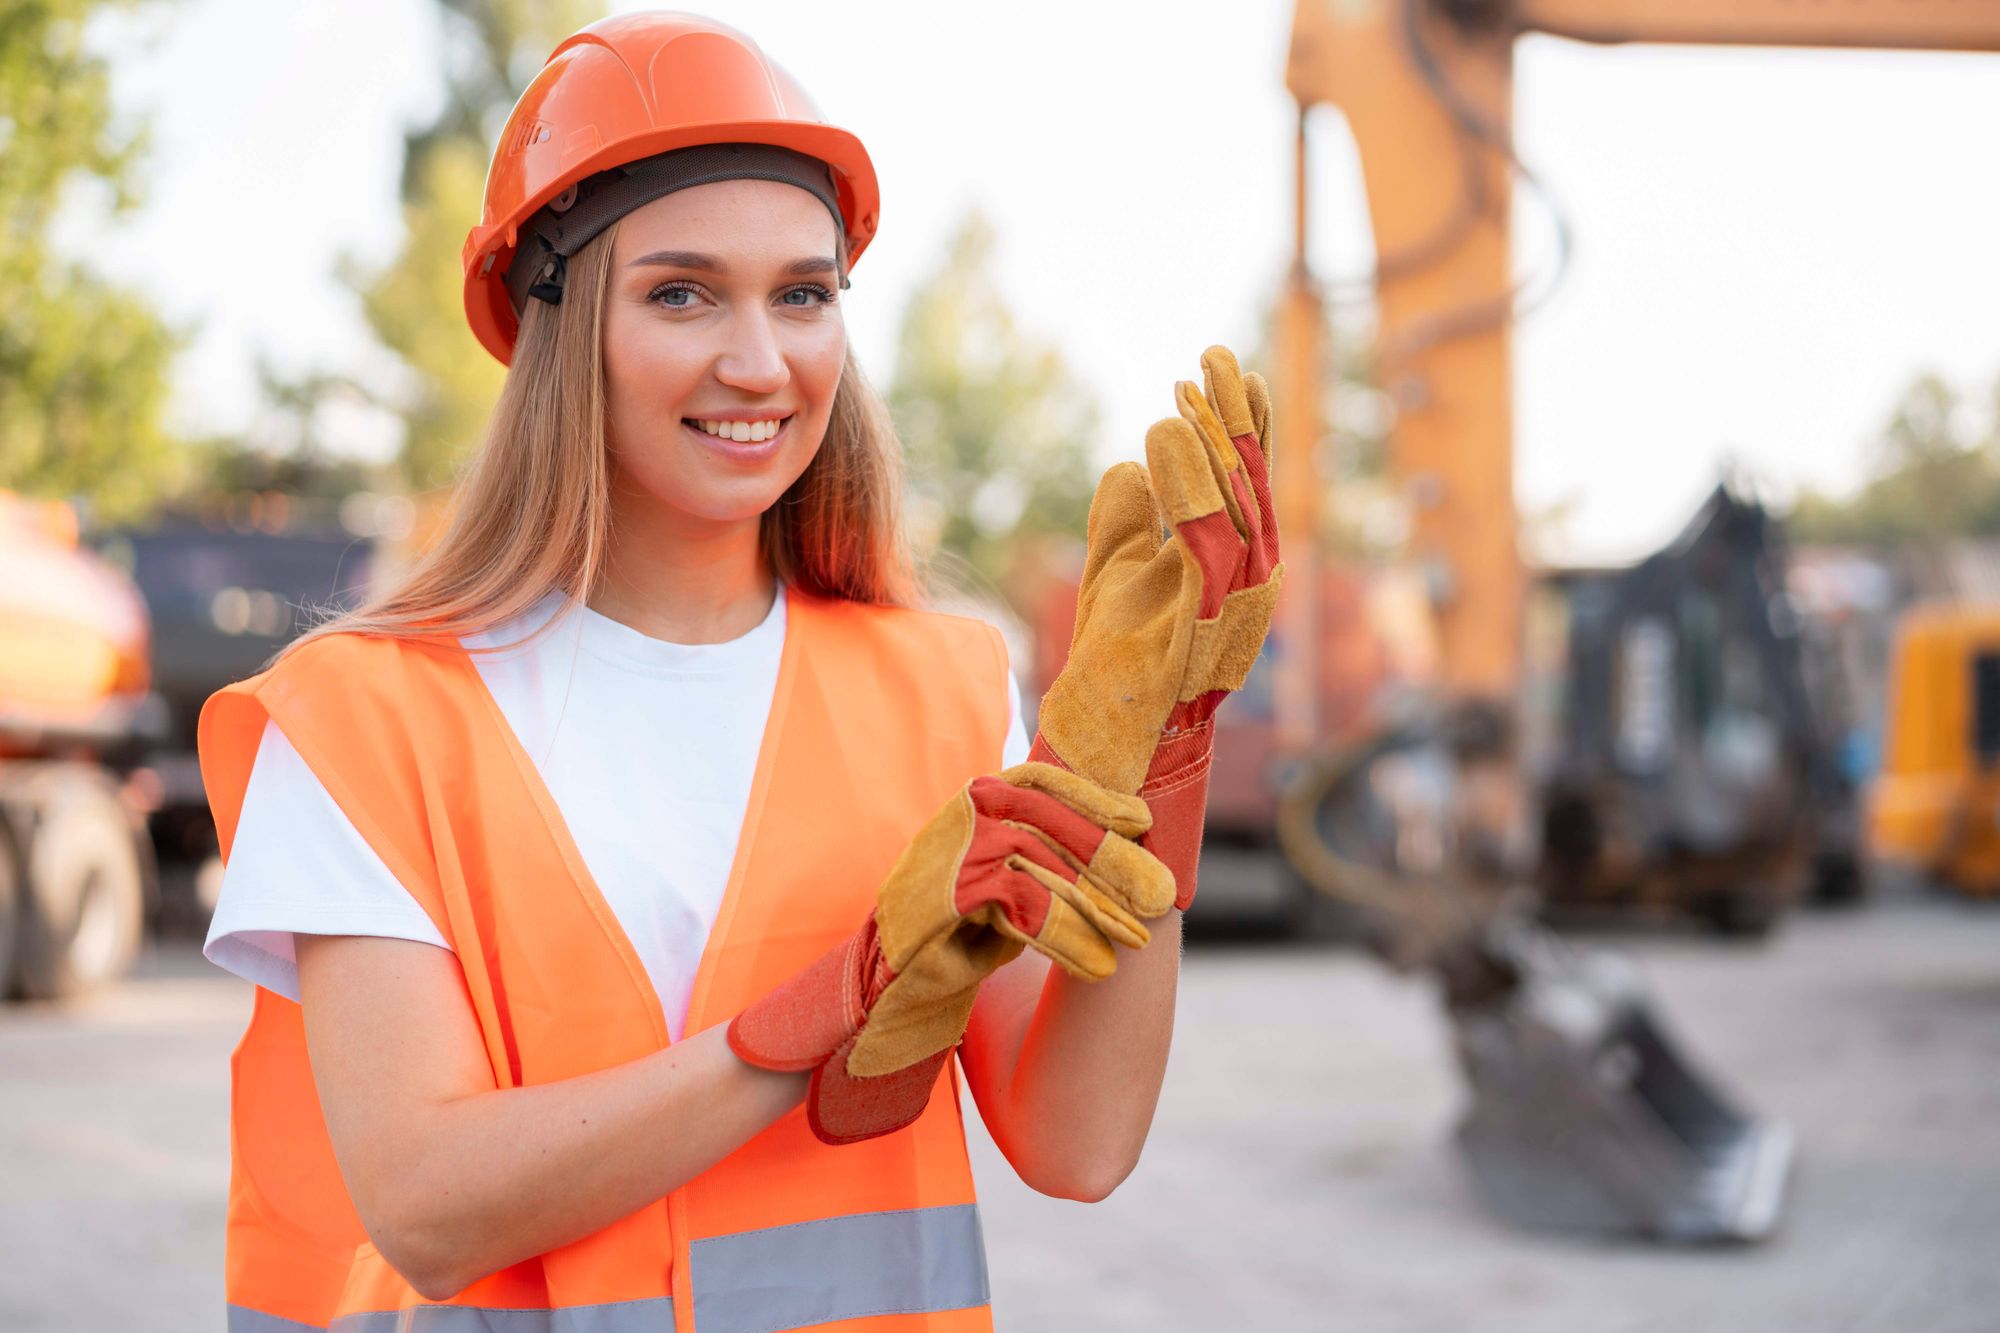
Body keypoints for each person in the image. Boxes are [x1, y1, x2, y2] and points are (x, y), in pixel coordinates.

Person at [198, 12, 1280, 1333]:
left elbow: (1079, 1141)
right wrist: (832, 1012)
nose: (761, 361)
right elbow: (428, 1207)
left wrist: (1167, 749)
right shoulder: (366, 717)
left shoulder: (939, 687)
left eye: (804, 293)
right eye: (681, 292)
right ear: (559, 327)